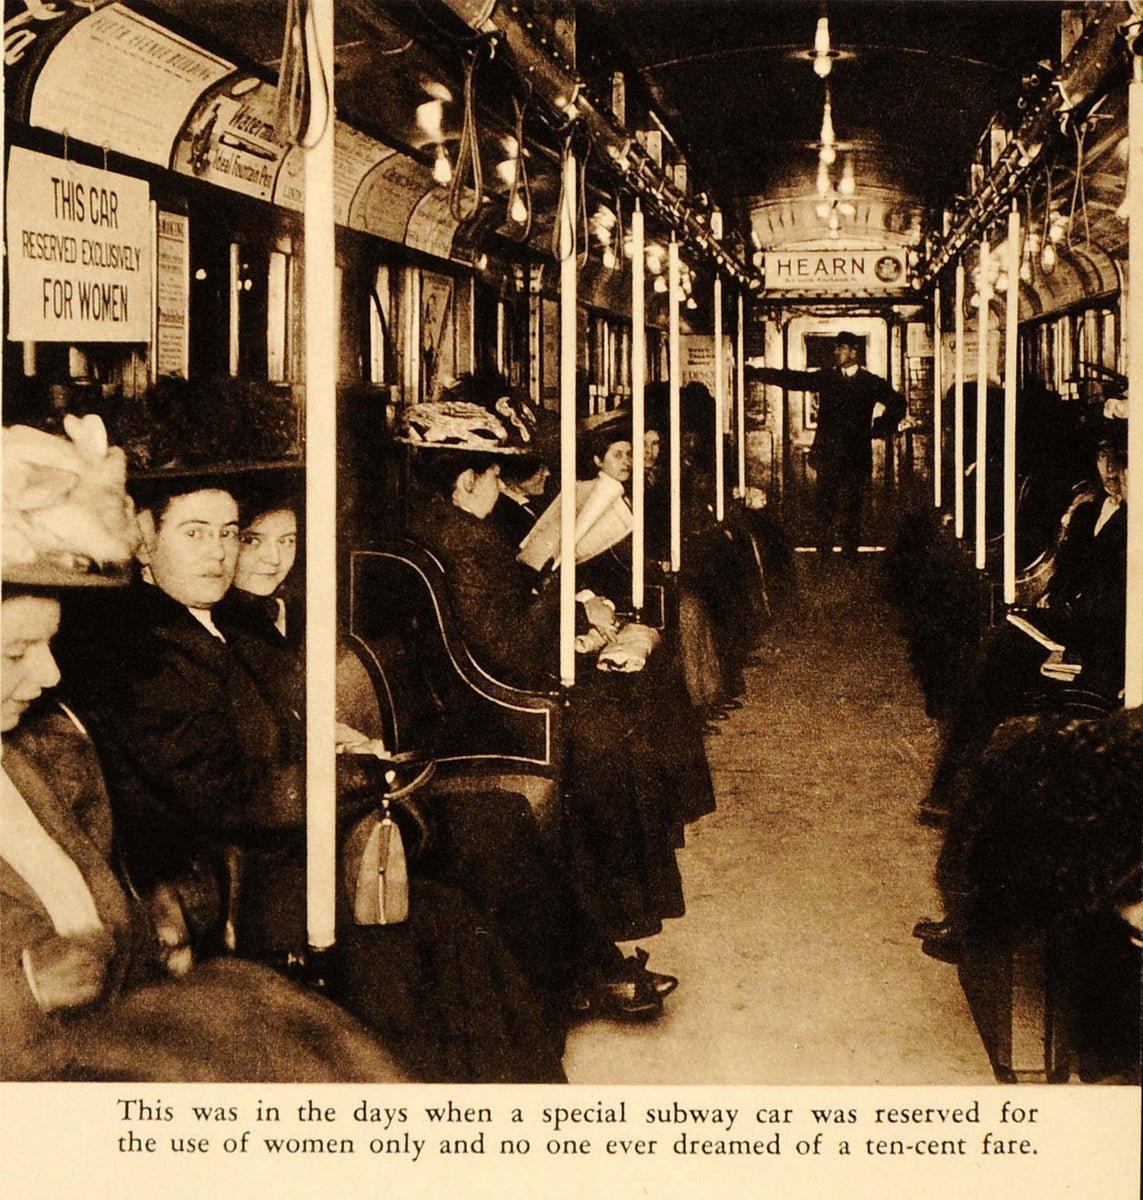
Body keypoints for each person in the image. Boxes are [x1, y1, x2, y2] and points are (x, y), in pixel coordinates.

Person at [54, 469, 566, 1082]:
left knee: (482, 840)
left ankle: (537, 1034)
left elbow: (270, 731)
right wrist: (356, 773)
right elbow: (226, 794)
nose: (219, 553)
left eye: (227, 534)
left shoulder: (212, 626)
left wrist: (336, 747)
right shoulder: (146, 652)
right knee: (441, 913)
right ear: (144, 538)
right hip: (240, 875)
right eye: (195, 534)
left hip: (286, 838)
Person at [1, 417, 408, 1083]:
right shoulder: (136, 664)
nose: (49, 675)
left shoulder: (36, 755)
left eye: (229, 535)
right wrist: (27, 985)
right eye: (17, 651)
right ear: (147, 545)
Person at [224, 492, 673, 1024]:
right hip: (320, 813)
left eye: (287, 542)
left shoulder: (290, 612)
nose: (272, 559)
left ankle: (582, 973)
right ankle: (582, 978)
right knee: (492, 830)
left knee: (506, 818)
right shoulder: (232, 636)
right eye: (252, 541)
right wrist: (354, 754)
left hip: (353, 777)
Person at [401, 400, 705, 942]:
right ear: (467, 481)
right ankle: (616, 917)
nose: (499, 486)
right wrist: (558, 587)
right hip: (496, 712)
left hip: (474, 693)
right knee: (609, 734)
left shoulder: (442, 530)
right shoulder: (467, 545)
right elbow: (514, 650)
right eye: (494, 474)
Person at [747, 331, 905, 558]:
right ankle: (823, 554)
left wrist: (880, 428)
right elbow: (794, 379)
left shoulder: (870, 382)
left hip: (855, 456)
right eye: (835, 348)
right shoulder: (828, 378)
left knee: (853, 506)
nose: (836, 352)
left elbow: (898, 403)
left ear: (853, 351)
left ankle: (851, 555)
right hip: (828, 455)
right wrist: (758, 373)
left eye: (841, 348)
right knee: (824, 506)